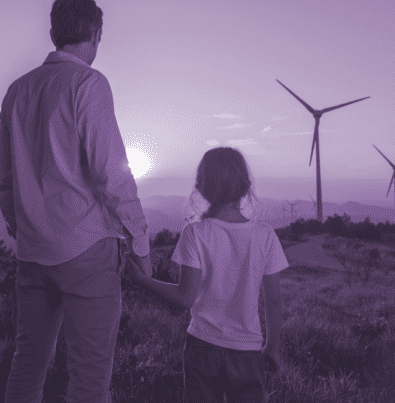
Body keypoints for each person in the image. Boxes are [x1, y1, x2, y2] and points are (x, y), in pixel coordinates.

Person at [0, 0, 152, 403]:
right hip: (86, 248)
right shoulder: (89, 83)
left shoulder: (17, 90)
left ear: (53, 33)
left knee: (28, 364)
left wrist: (24, 227)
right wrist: (139, 240)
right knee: (88, 378)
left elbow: (6, 181)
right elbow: (111, 173)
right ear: (97, 34)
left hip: (31, 252)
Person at [124, 146, 289, 403]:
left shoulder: (195, 233)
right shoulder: (265, 234)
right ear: (246, 187)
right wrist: (273, 348)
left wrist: (142, 280)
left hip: (202, 346)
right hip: (247, 350)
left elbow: (184, 297)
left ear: (201, 188)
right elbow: (274, 300)